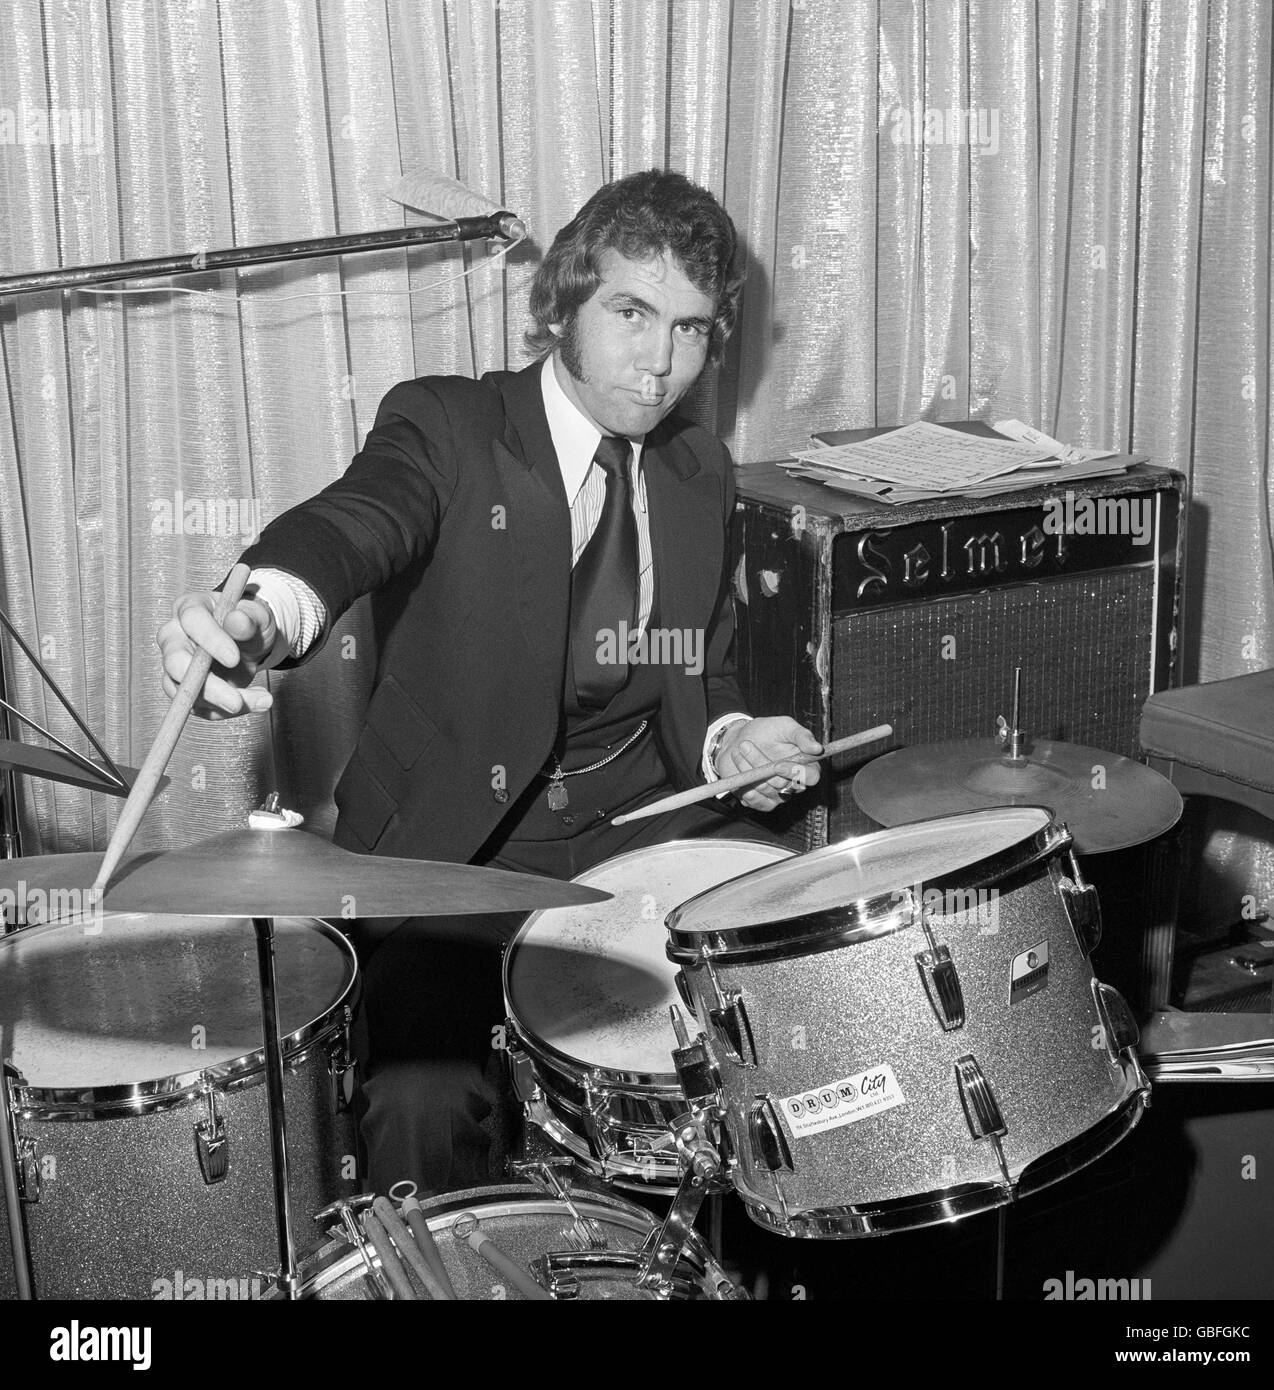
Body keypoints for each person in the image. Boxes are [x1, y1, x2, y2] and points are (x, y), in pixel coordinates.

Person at [156, 168, 821, 1194]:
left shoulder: (696, 469)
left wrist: (732, 738)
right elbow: (357, 521)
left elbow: (701, 660)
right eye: (632, 314)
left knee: (782, 1012)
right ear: (563, 301)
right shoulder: (448, 427)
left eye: (691, 330)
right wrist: (262, 609)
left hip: (631, 832)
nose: (659, 364)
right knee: (419, 1104)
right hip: (455, 852)